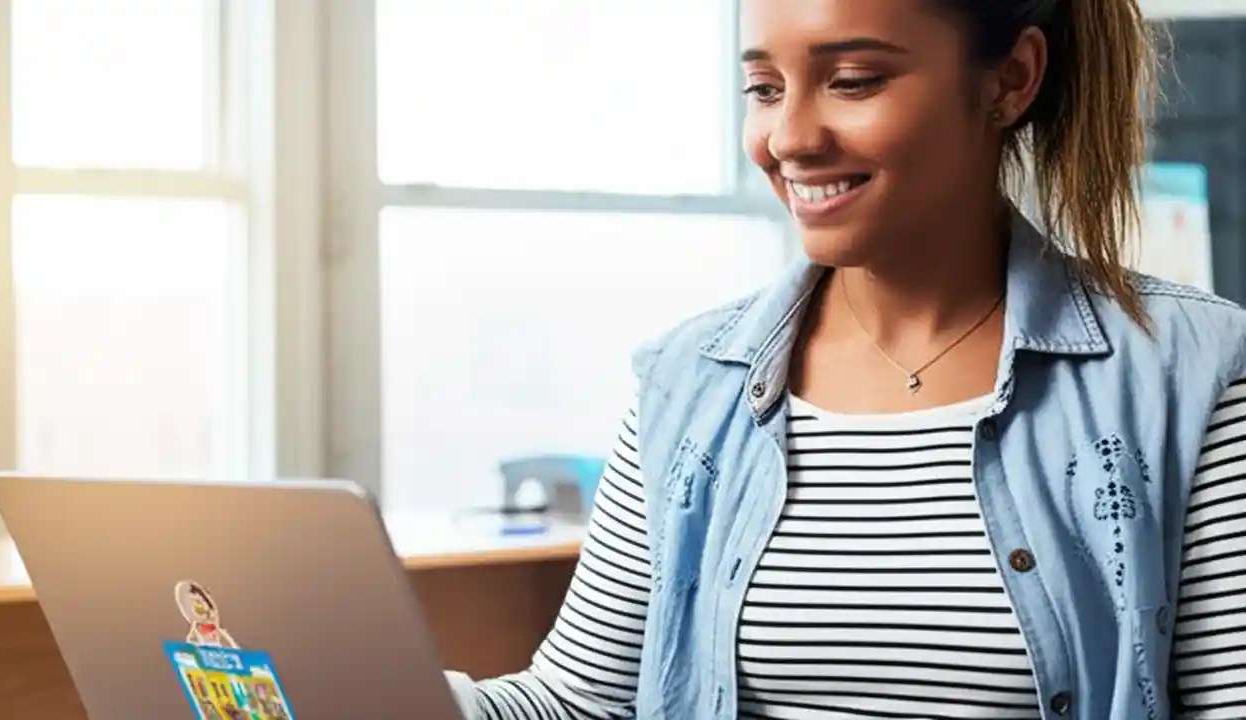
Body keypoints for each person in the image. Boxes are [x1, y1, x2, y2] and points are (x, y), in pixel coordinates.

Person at [448, 1, 1246, 717]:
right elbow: (578, 702)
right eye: (763, 89)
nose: (789, 137)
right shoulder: (690, 382)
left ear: (1011, 78)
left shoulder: (1185, 372)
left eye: (853, 80)